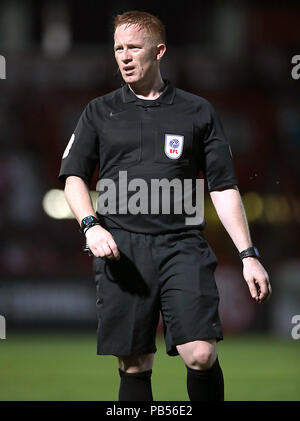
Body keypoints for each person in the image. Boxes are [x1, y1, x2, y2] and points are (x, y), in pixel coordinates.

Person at [58, 10, 272, 401]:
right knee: (135, 363)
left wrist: (248, 254)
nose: (124, 56)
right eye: (118, 48)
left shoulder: (197, 111)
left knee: (202, 353)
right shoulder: (98, 111)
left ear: (158, 51)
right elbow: (73, 178)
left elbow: (223, 187)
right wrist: (91, 224)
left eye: (133, 48)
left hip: (182, 246)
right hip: (122, 251)